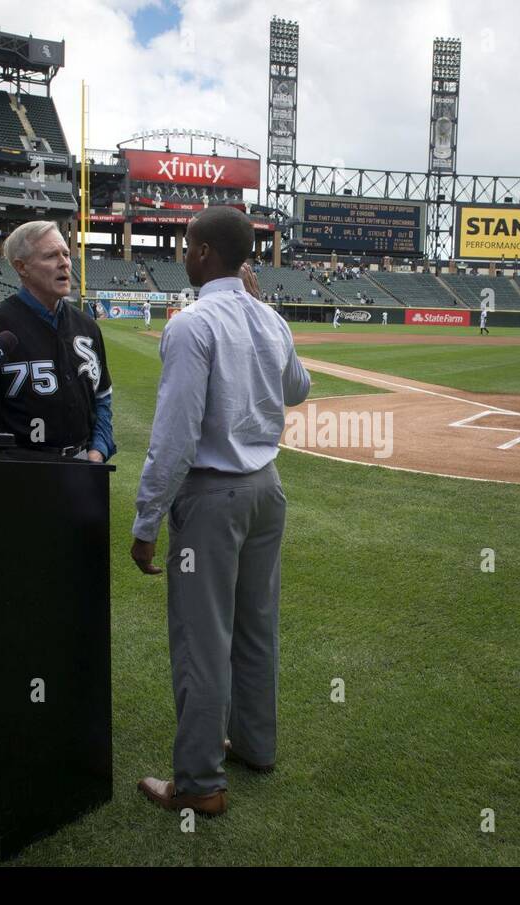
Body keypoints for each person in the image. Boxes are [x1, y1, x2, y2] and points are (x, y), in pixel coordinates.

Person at [130, 206, 310, 816]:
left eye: (188, 244)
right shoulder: (270, 318)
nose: (184, 252)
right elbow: (298, 388)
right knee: (256, 626)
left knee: (203, 640)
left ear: (205, 253)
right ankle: (256, 746)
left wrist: (146, 521)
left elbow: (175, 437)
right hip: (266, 489)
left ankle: (200, 784)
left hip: (211, 496)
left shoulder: (191, 324)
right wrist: (263, 318)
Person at [0, 221, 114, 464]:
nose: (65, 262)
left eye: (65, 253)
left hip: (84, 467)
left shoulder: (87, 327)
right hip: (21, 471)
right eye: (51, 256)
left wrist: (98, 450)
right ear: (22, 267)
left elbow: (103, 398)